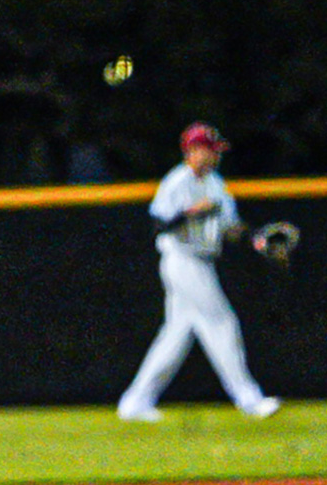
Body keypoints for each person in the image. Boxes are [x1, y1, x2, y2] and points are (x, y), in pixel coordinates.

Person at [116, 122, 282, 422]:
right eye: (211, 150)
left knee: (175, 335)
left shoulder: (216, 183)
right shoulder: (177, 182)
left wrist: (255, 239)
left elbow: (231, 227)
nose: (216, 155)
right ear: (193, 150)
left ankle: (134, 402)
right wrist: (191, 213)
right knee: (222, 323)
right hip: (181, 260)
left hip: (202, 260)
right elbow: (158, 225)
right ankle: (249, 400)